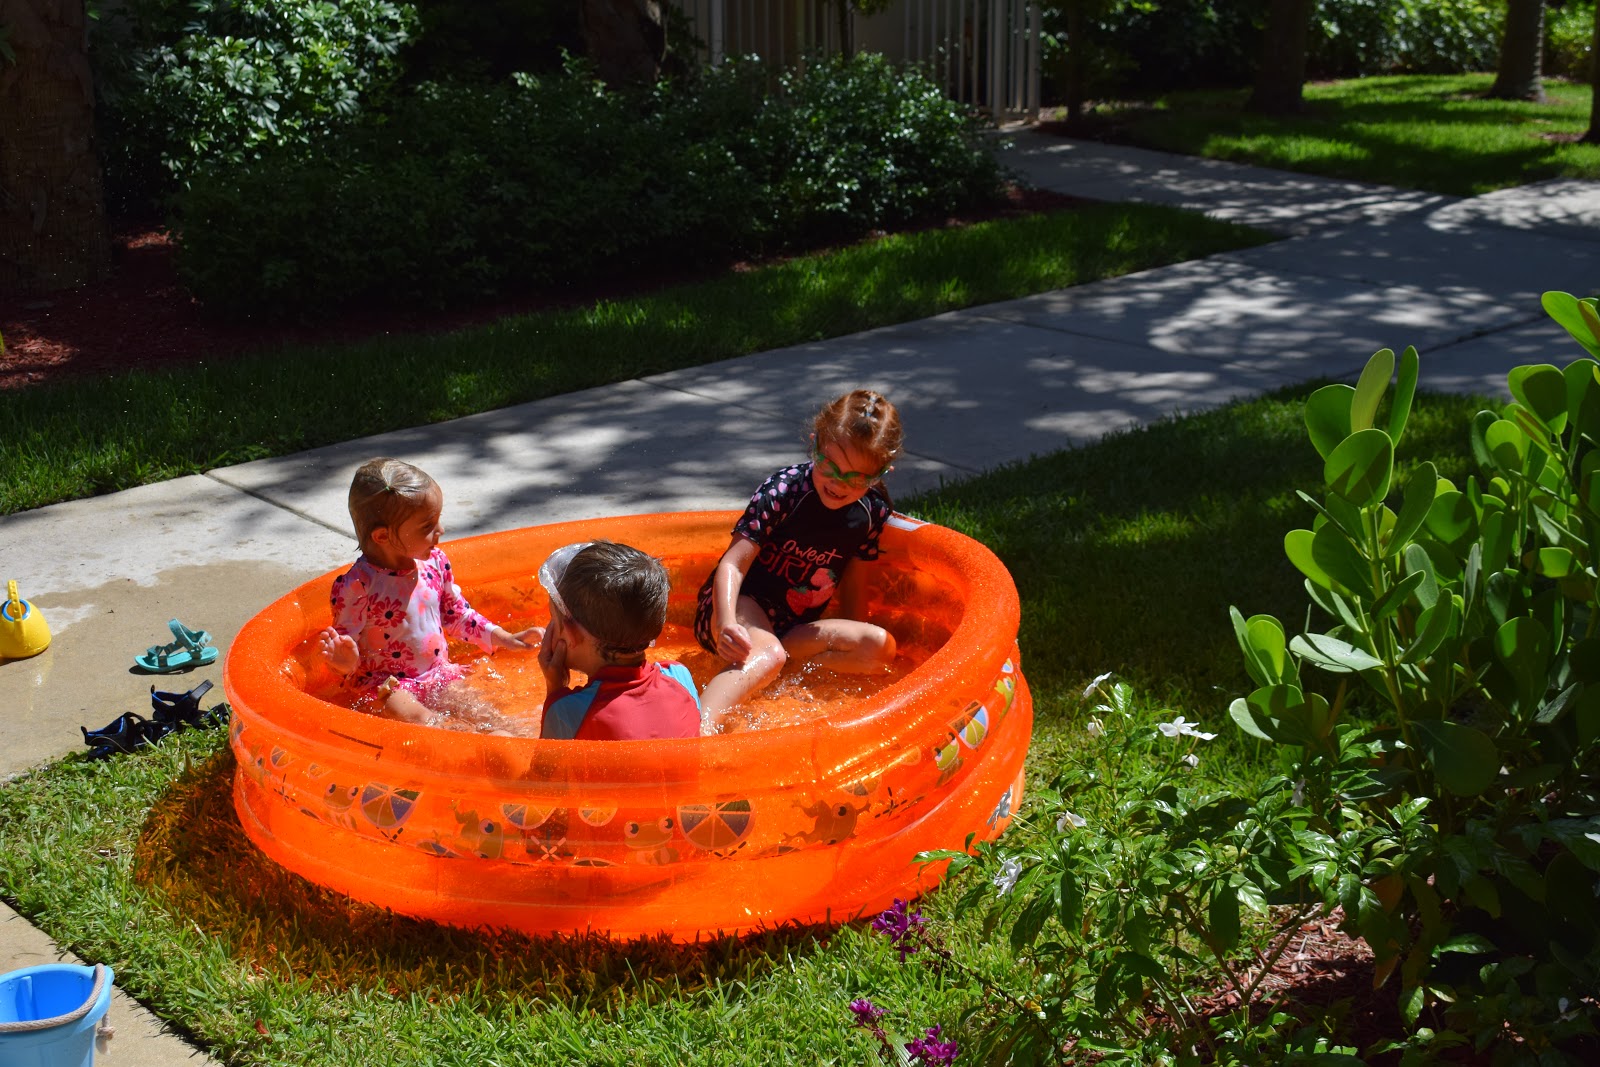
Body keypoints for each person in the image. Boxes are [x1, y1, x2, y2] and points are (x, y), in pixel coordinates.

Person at [695, 388, 901, 729]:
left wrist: (853, 639)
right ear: (815, 443)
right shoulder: (785, 491)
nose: (838, 484)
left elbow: (854, 585)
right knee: (770, 652)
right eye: (829, 466)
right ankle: (697, 732)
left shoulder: (871, 512)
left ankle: (766, 671)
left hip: (791, 630)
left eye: (855, 478)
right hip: (736, 608)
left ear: (880, 473)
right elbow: (732, 564)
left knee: (878, 647)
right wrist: (724, 623)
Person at [318, 458, 541, 726]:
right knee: (422, 720)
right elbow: (344, 647)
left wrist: (505, 637)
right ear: (382, 537)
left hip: (438, 675)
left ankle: (520, 748)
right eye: (427, 526)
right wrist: (343, 664)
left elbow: (457, 615)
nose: (440, 530)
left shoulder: (435, 563)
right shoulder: (358, 584)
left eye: (437, 520)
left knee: (487, 716)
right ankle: (460, 748)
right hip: (388, 685)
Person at [538, 540, 703, 741]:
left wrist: (555, 690)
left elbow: (542, 772)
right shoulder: (680, 677)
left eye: (553, 620)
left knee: (499, 737)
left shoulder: (567, 711)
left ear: (572, 635)